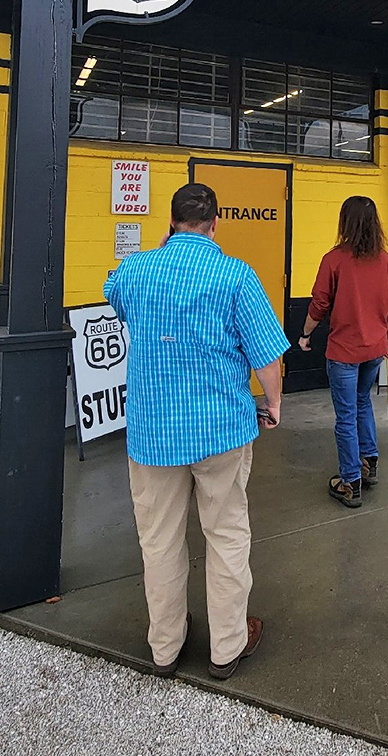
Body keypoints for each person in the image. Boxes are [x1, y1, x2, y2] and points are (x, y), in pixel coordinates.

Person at [103, 182, 289, 681]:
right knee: (226, 534)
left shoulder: (138, 270)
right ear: (215, 224)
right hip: (220, 431)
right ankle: (226, 647)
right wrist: (270, 404)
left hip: (152, 434)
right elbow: (268, 357)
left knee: (159, 541)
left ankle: (165, 647)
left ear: (169, 223)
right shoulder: (236, 276)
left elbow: (113, 291)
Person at [299, 195, 388, 508]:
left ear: (345, 222)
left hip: (344, 351)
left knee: (345, 417)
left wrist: (305, 335)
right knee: (362, 403)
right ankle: (370, 464)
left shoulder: (334, 259)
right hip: (375, 348)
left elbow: (319, 304)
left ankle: (350, 482)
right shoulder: (385, 260)